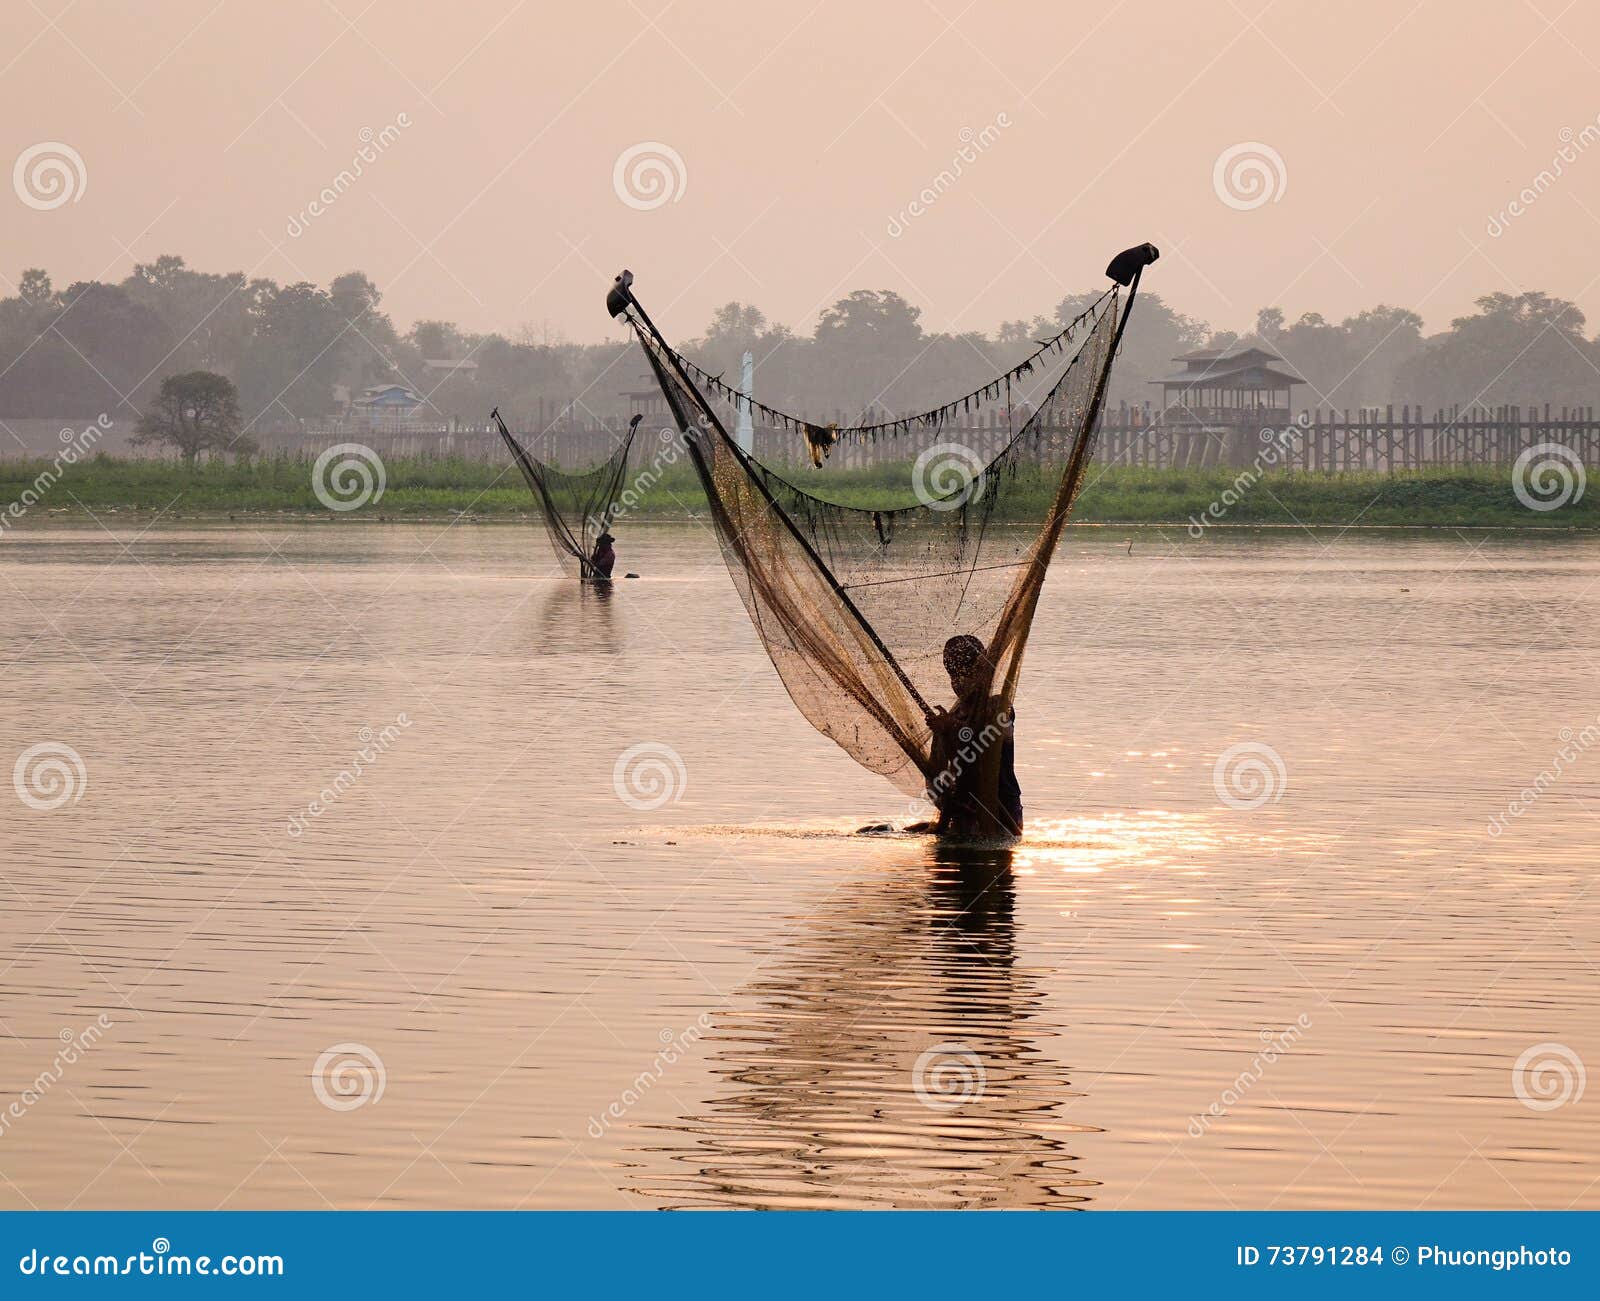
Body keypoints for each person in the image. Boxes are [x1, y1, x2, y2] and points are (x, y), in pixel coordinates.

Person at [921, 634, 1023, 838]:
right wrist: (942, 733)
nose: (960, 683)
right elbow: (940, 775)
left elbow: (981, 743)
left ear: (983, 673)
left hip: (1002, 815)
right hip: (962, 815)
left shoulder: (998, 707)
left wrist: (951, 728)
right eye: (954, 676)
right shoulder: (951, 717)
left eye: (968, 674)